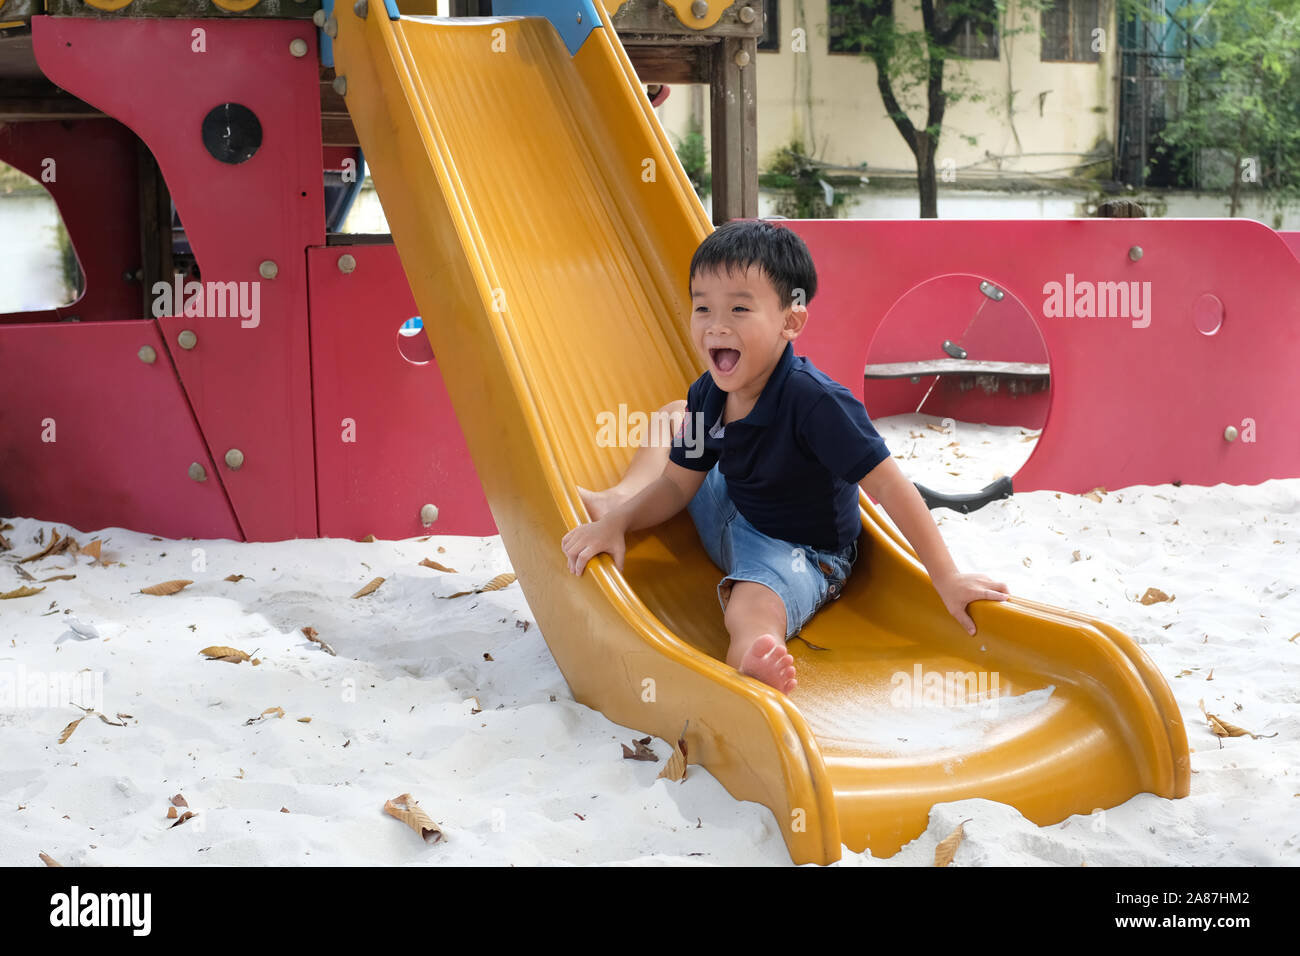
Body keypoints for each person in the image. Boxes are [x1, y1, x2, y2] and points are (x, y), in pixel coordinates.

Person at [560, 219, 1009, 695]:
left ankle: (756, 655)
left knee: (749, 606)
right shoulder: (708, 393)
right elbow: (676, 484)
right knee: (676, 415)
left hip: (797, 551)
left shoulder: (817, 403)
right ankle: (616, 501)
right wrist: (623, 520)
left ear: (790, 321)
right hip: (732, 502)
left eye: (738, 308)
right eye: (702, 307)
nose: (716, 325)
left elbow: (889, 487)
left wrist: (946, 577)